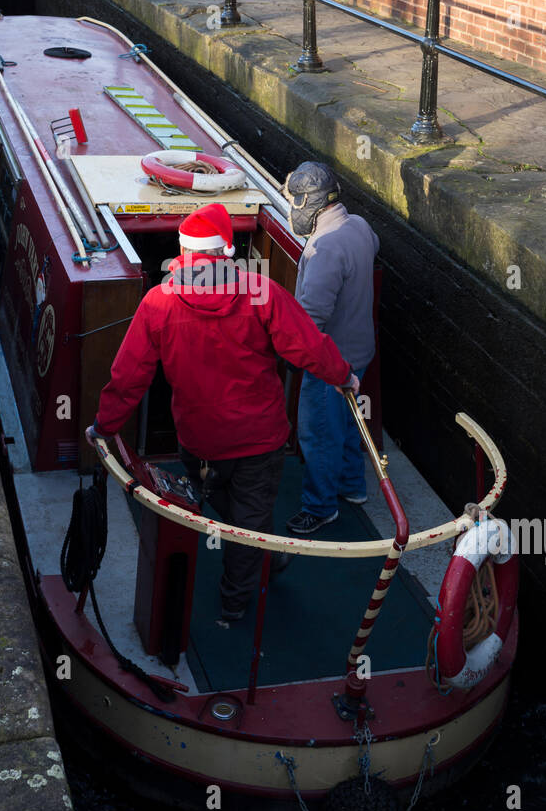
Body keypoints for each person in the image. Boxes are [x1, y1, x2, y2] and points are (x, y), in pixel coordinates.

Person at [85, 203, 360, 622]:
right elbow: (309, 347)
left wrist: (104, 426)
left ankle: (259, 562)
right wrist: (344, 376)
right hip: (260, 440)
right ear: (226, 252)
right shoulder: (263, 292)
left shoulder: (157, 303)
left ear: (183, 252)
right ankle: (235, 604)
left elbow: (128, 378)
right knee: (249, 523)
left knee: (222, 507)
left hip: (199, 441)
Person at [282, 161, 380, 536]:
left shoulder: (323, 248)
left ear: (309, 201)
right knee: (350, 422)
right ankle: (353, 487)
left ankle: (320, 506)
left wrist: (289, 354)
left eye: (293, 200)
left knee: (319, 432)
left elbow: (311, 318)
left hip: (330, 362)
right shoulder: (360, 227)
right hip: (361, 351)